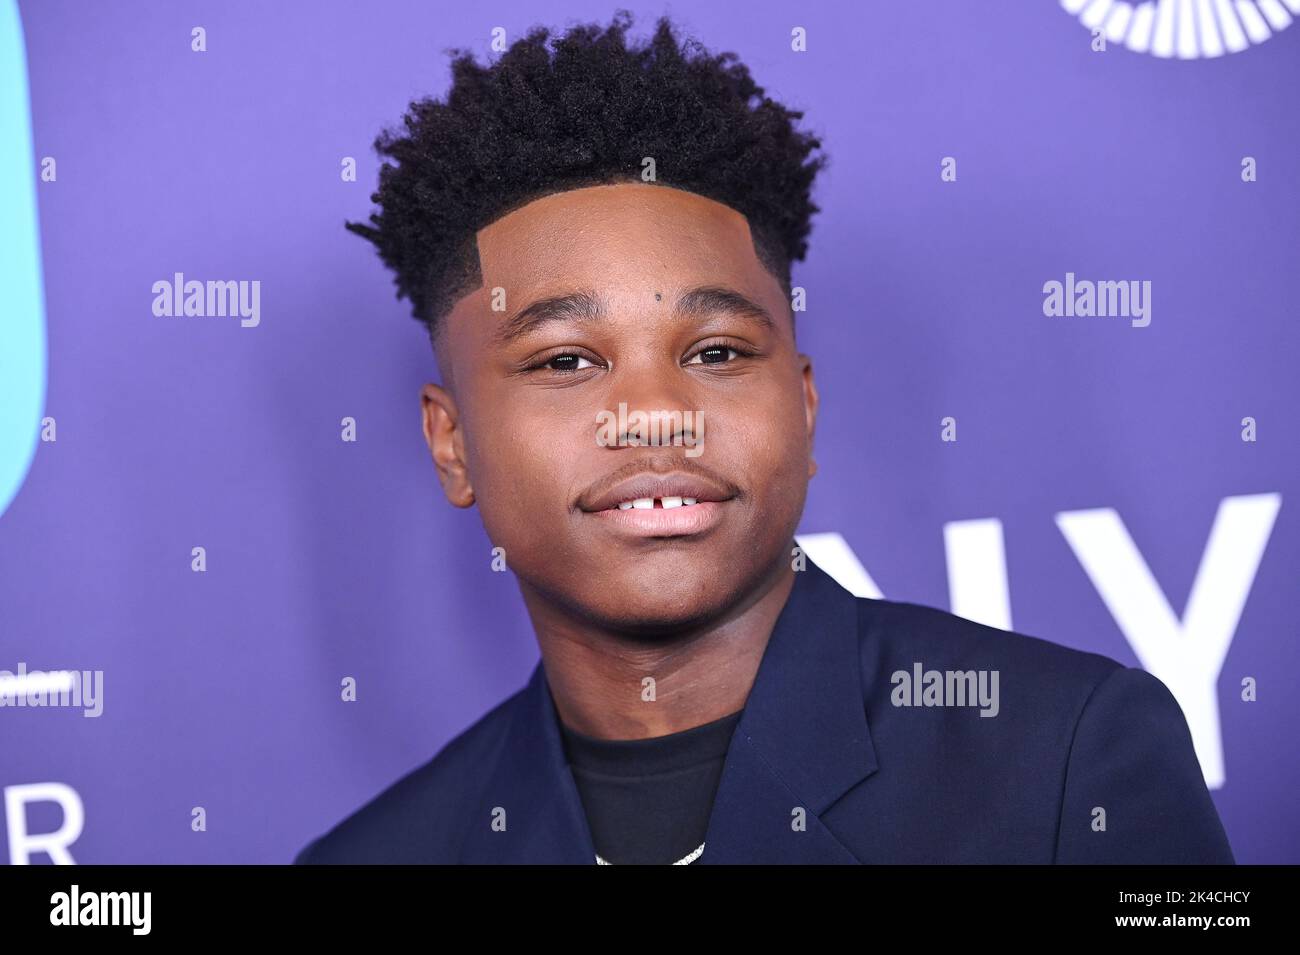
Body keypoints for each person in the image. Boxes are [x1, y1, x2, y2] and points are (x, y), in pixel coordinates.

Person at [294, 11, 1233, 865]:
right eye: (566, 363)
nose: (654, 414)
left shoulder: (1066, 759)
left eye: (715, 350)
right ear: (451, 443)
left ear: (806, 406)